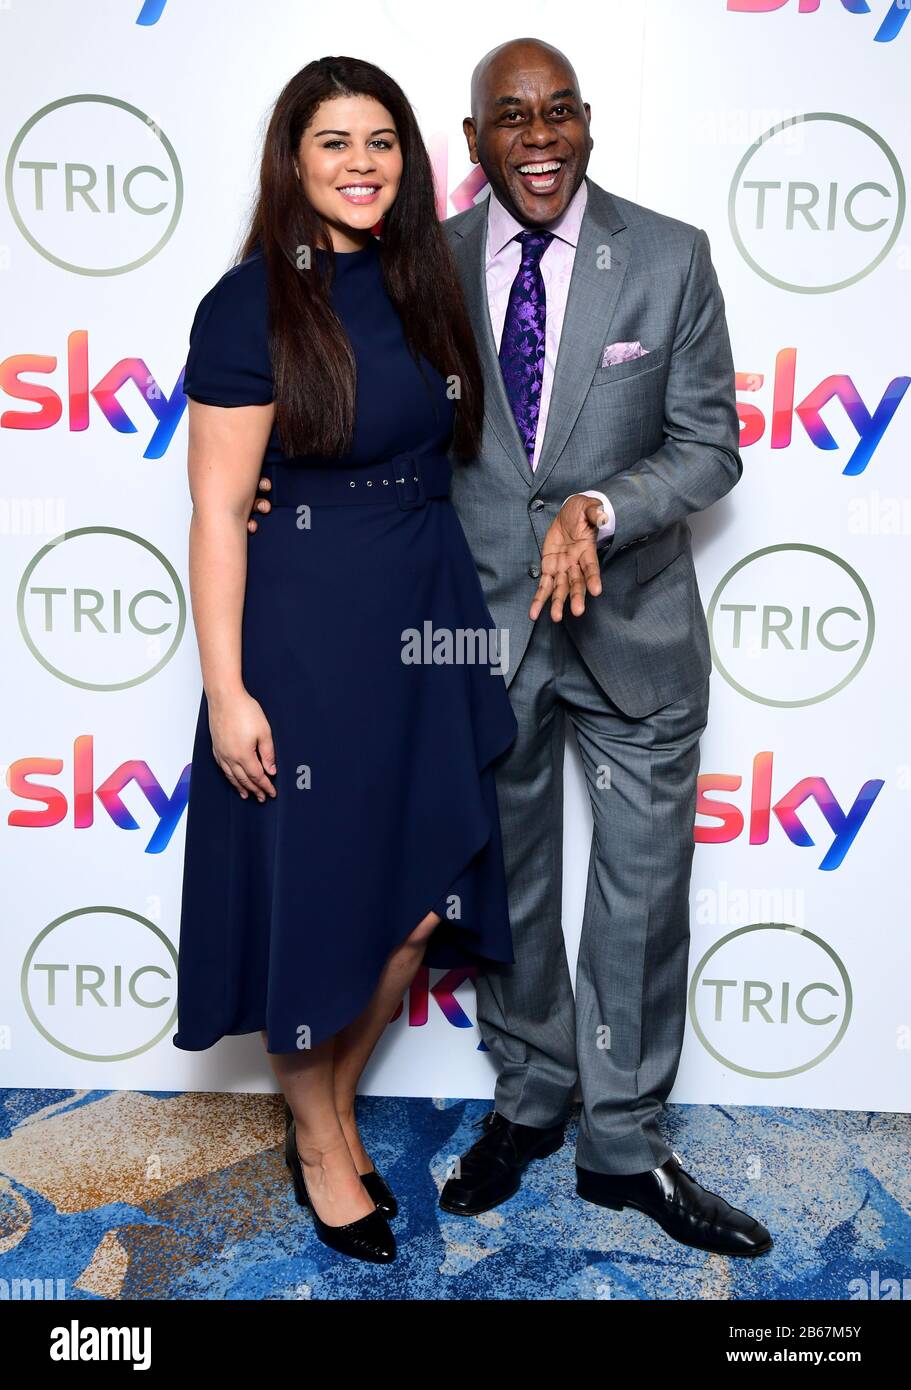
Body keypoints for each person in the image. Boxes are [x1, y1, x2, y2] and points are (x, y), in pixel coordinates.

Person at [251, 36, 773, 1259]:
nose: (538, 138)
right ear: (474, 138)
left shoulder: (669, 256)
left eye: (558, 113)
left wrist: (599, 508)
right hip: (474, 626)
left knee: (641, 891)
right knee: (511, 884)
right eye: (511, 118)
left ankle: (623, 1142)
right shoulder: (415, 261)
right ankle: (532, 1097)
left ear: (585, 122)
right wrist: (274, 483)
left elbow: (708, 445)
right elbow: (353, 399)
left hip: (634, 625)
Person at [172, 55, 519, 1266]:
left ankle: (325, 1106)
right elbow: (220, 511)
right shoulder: (248, 304)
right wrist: (228, 691)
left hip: (427, 616)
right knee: (314, 904)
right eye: (334, 142)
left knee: (416, 911)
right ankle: (320, 1137)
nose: (361, 163)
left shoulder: (423, 284)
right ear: (293, 159)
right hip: (306, 637)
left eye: (381, 141)